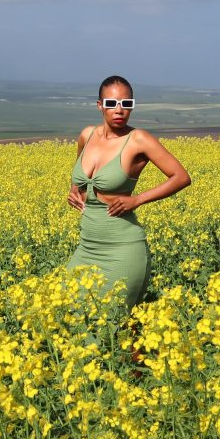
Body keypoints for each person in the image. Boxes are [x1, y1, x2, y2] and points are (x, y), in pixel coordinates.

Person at [66, 75, 191, 311]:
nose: (119, 110)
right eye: (112, 104)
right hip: (86, 248)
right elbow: (81, 177)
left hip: (123, 250)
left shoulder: (138, 140)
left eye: (127, 104)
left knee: (120, 329)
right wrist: (74, 190)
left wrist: (137, 199)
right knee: (69, 314)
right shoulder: (87, 135)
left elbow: (181, 177)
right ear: (100, 105)